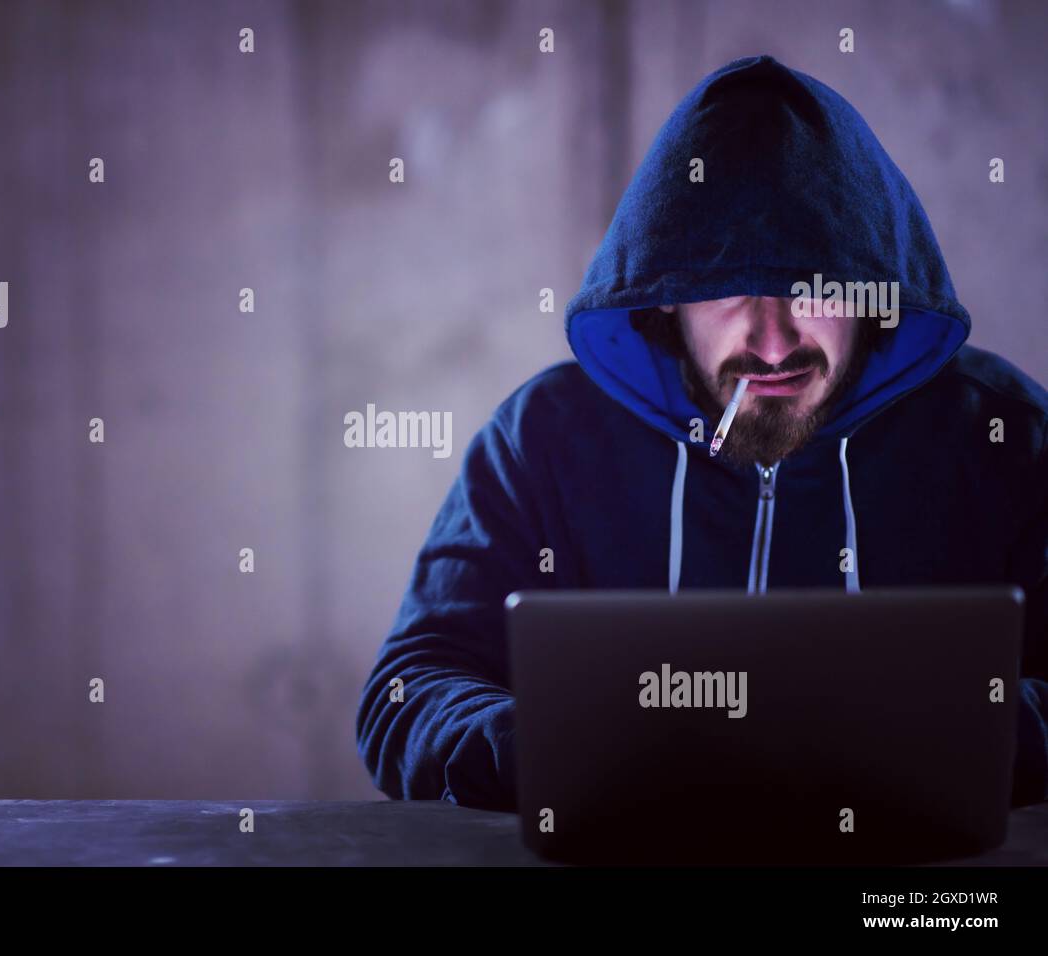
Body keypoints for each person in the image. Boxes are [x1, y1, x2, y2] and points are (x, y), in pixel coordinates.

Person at [355, 55, 1048, 811]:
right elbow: (407, 689)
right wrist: (549, 747)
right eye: (724, 291)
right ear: (662, 303)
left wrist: (943, 736)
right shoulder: (543, 439)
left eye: (813, 290)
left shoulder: (1004, 434)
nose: (774, 342)